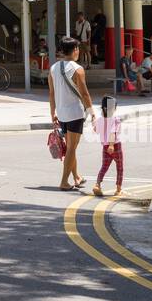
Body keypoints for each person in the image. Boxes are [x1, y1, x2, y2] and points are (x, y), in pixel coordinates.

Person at [48, 36, 95, 191]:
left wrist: (52, 113)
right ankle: (64, 181)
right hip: (75, 113)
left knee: (70, 147)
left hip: (61, 113)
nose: (78, 51)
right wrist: (92, 112)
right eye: (77, 49)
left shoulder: (53, 68)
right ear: (74, 50)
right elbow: (85, 93)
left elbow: (51, 93)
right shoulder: (77, 69)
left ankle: (76, 177)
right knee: (71, 148)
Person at [92, 95, 124, 197]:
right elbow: (112, 132)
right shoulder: (116, 119)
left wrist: (94, 122)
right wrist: (112, 145)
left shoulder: (100, 120)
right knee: (119, 167)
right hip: (115, 145)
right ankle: (118, 189)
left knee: (104, 167)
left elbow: (96, 131)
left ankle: (97, 184)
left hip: (105, 147)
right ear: (113, 108)